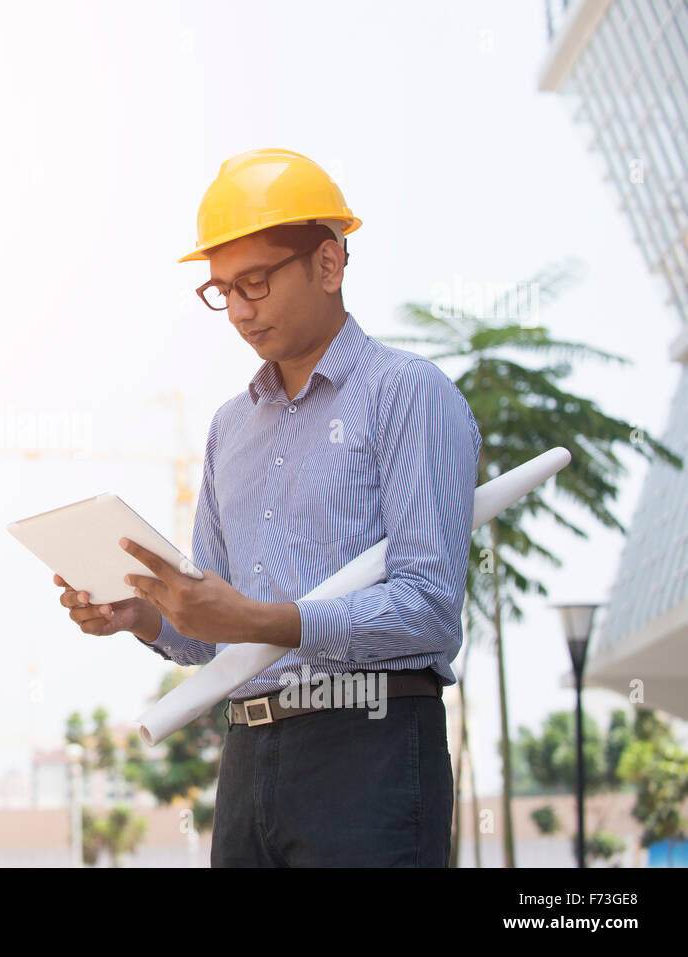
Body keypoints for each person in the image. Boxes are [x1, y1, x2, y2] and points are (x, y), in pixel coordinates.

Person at [54, 147, 481, 866]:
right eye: (222, 291)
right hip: (248, 757)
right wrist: (143, 614)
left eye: (255, 281)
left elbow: (429, 606)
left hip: (369, 750)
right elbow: (211, 635)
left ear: (328, 262)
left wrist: (259, 619)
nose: (241, 310)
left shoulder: (408, 394)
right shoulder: (230, 428)